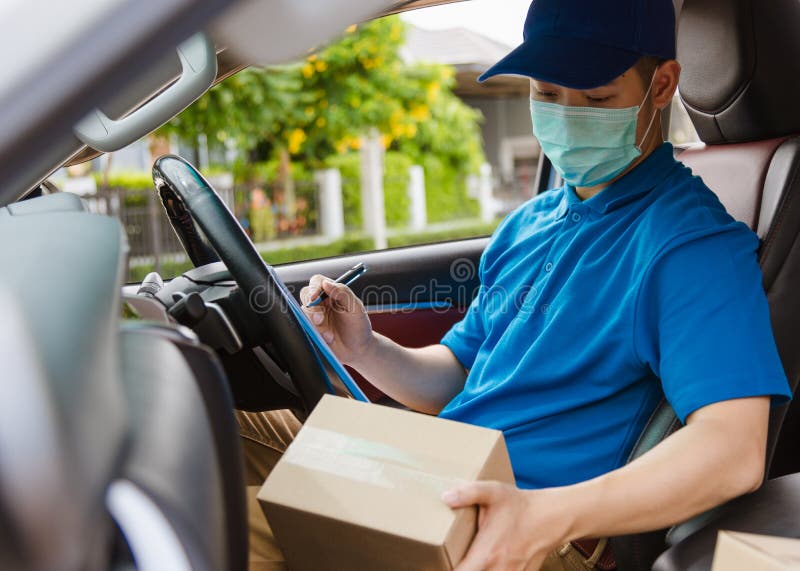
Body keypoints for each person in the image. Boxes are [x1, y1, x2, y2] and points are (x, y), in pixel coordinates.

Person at [237, 0, 793, 569]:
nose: (568, 116)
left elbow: (733, 449)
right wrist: (364, 348)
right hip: (441, 473)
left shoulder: (691, 245)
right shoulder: (527, 226)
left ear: (662, 85)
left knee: (230, 522)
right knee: (222, 429)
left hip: (522, 525)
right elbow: (459, 374)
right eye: (547, 95)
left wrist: (547, 515)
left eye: (596, 97)